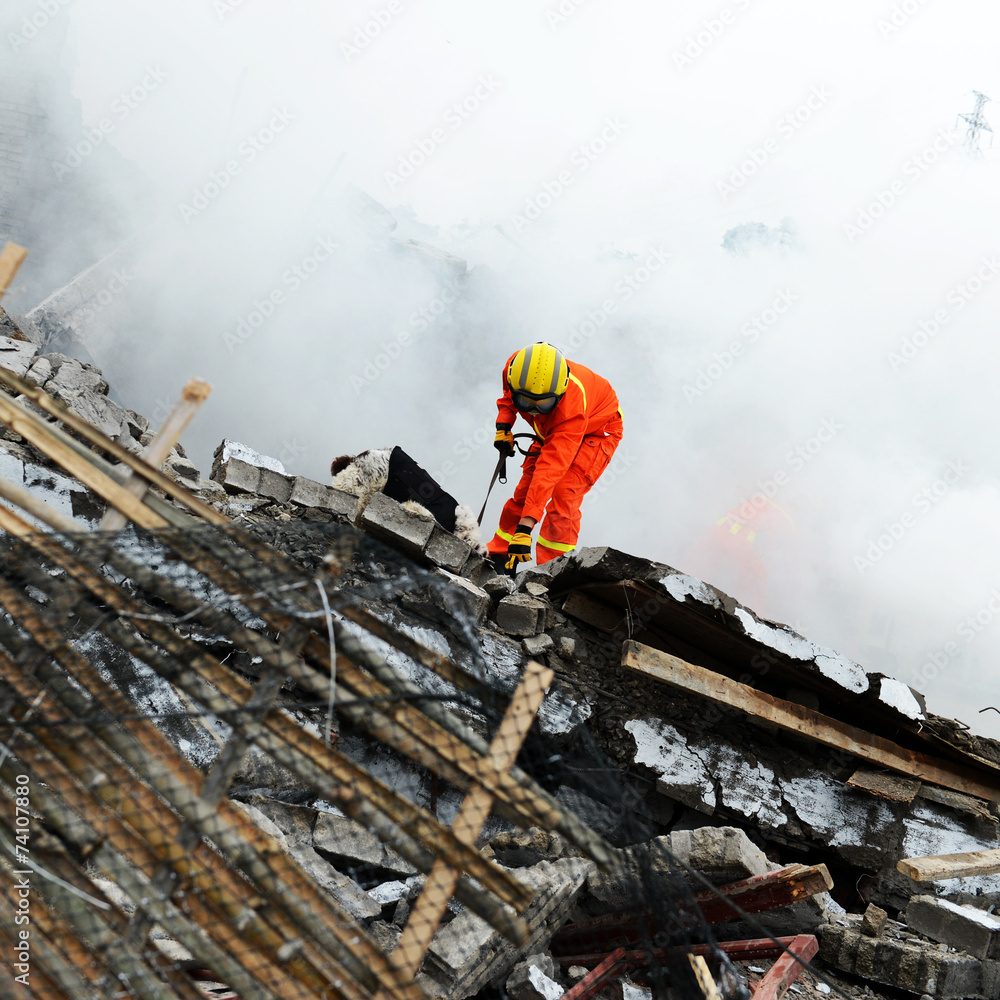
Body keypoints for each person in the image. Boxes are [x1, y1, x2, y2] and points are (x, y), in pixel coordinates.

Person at [487, 342, 623, 575]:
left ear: (557, 395)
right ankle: (500, 554)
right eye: (527, 403)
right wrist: (504, 426)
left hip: (595, 432)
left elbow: (549, 470)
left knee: (563, 496)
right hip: (550, 428)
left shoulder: (571, 409)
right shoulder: (515, 369)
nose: (534, 411)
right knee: (525, 491)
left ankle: (553, 573)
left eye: (543, 404)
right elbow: (509, 398)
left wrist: (526, 527)